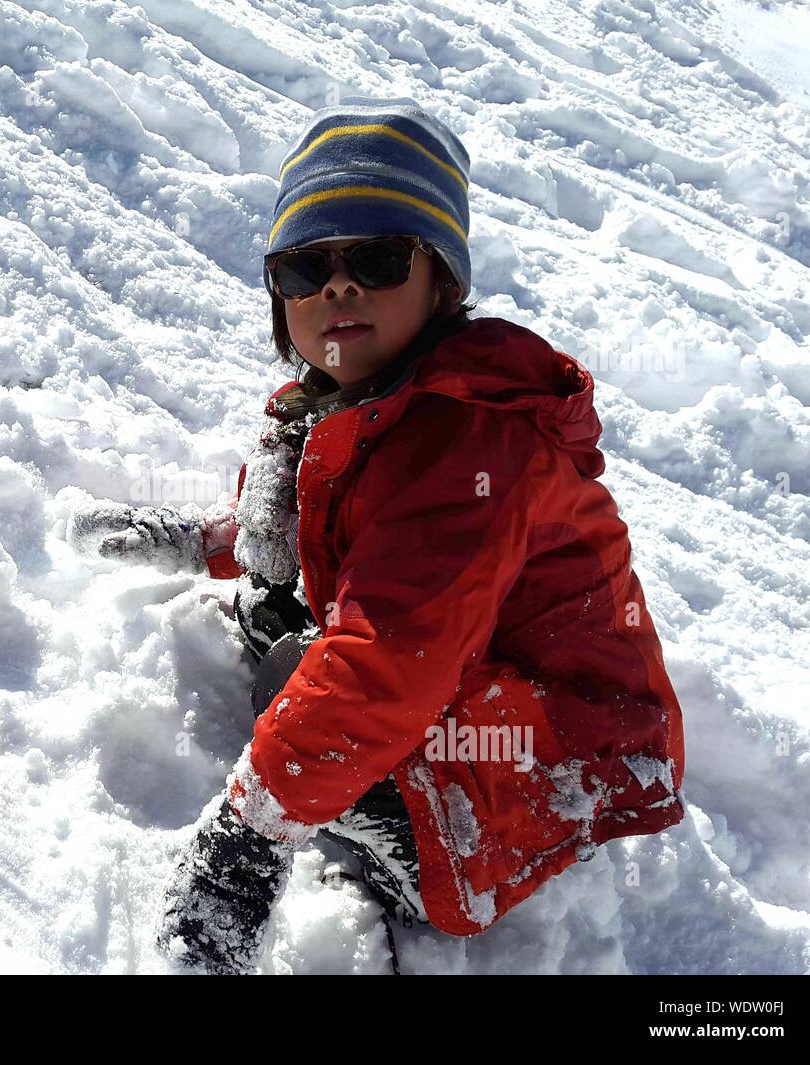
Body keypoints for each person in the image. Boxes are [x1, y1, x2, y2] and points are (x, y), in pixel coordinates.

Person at [68, 98, 686, 974]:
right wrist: (210, 538)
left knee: (310, 692)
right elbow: (328, 539)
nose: (338, 286)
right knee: (273, 606)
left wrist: (249, 830)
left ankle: (423, 863)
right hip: (471, 670)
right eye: (304, 267)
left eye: (377, 257)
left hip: (560, 748)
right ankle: (358, 773)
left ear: (442, 282)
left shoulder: (469, 442)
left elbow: (389, 658)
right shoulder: (344, 410)